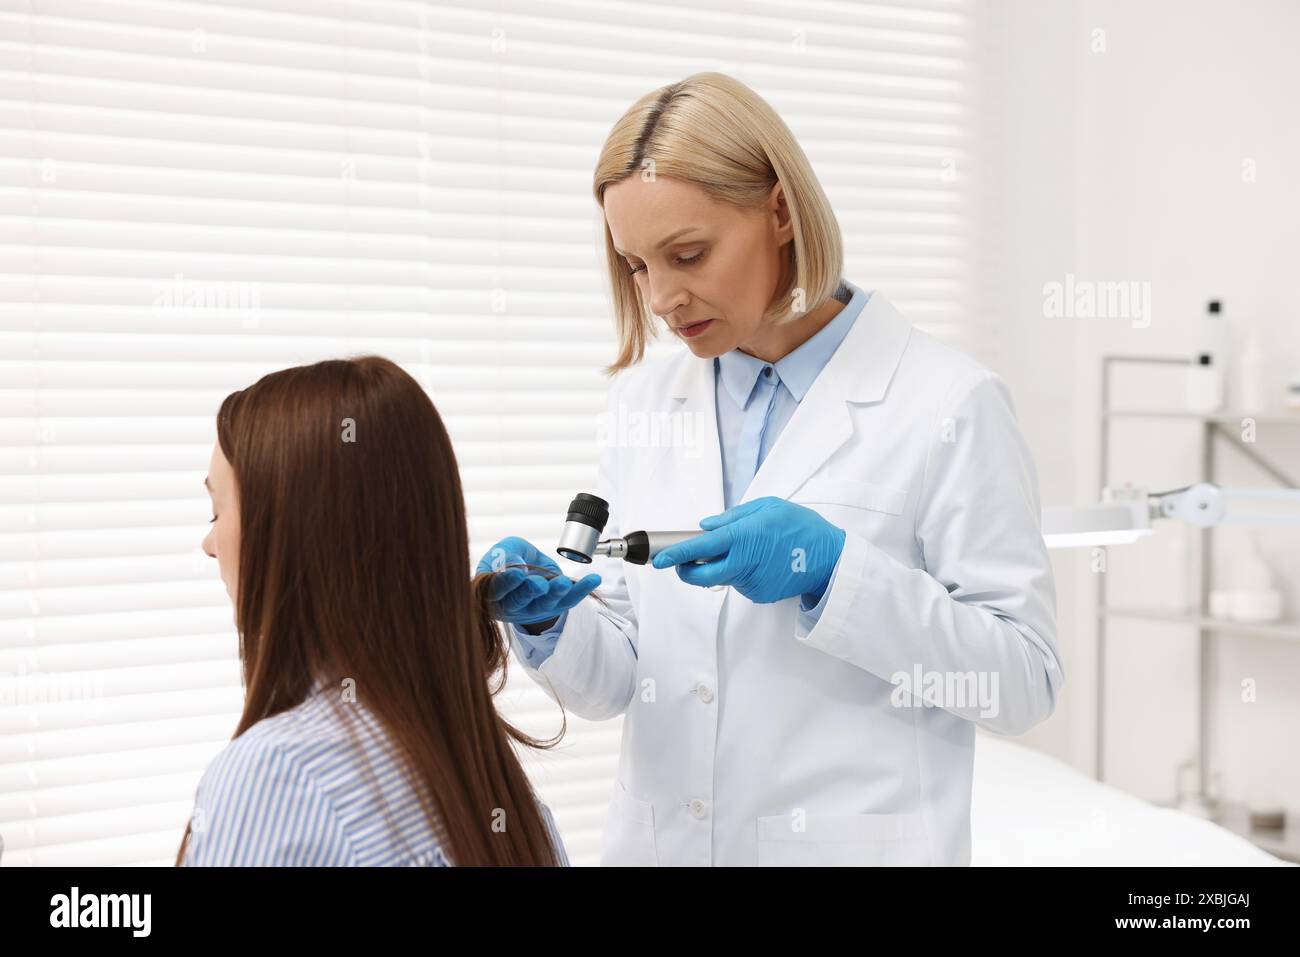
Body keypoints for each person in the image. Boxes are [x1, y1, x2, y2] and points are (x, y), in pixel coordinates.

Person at [477, 73, 1063, 866]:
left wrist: (837, 572)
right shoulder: (646, 402)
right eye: (638, 266)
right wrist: (554, 620)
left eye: (688, 254)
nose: (662, 297)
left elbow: (1022, 681)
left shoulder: (948, 403)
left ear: (780, 210)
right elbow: (617, 680)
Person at [181, 356, 568, 866]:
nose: (210, 543)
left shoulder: (276, 776)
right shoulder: (503, 796)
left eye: (218, 510)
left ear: (289, 532)